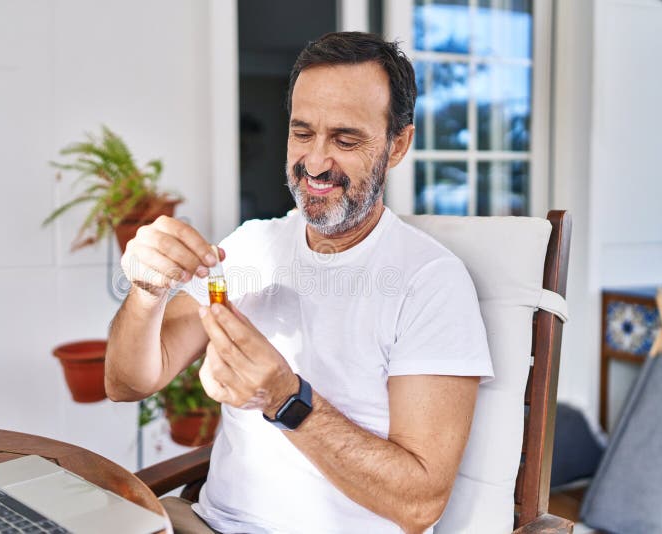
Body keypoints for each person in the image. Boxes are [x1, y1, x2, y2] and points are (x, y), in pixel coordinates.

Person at [105, 32, 493, 534]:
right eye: (303, 132)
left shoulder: (430, 283)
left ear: (398, 145)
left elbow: (419, 505)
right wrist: (146, 294)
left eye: (346, 139)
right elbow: (126, 382)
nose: (314, 163)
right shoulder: (249, 248)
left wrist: (286, 399)